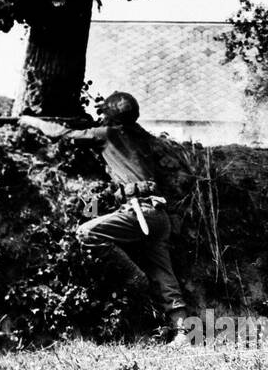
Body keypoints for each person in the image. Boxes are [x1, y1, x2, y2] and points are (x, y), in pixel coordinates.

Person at [20, 91, 194, 336]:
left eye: (103, 114)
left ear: (111, 117)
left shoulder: (107, 134)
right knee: (165, 275)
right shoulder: (140, 136)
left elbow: (62, 135)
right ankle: (184, 333)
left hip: (138, 211)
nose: (100, 118)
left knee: (86, 233)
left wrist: (31, 121)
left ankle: (136, 279)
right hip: (158, 213)